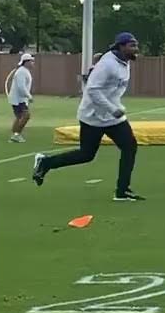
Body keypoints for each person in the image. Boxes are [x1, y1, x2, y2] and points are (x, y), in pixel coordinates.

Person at [32, 33, 144, 201]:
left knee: (130, 147)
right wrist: (112, 108)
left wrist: (114, 108)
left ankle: (122, 191)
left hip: (113, 117)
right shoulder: (107, 64)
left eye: (136, 45)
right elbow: (92, 90)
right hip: (93, 116)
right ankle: (46, 163)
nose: (136, 49)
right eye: (132, 46)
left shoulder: (124, 62)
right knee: (86, 155)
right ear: (121, 46)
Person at [6, 53, 35, 142]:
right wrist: (29, 96)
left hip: (19, 99)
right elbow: (21, 87)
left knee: (19, 117)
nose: (33, 63)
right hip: (19, 99)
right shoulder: (22, 72)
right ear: (26, 62)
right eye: (31, 61)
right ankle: (16, 134)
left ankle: (15, 135)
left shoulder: (24, 71)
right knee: (26, 115)